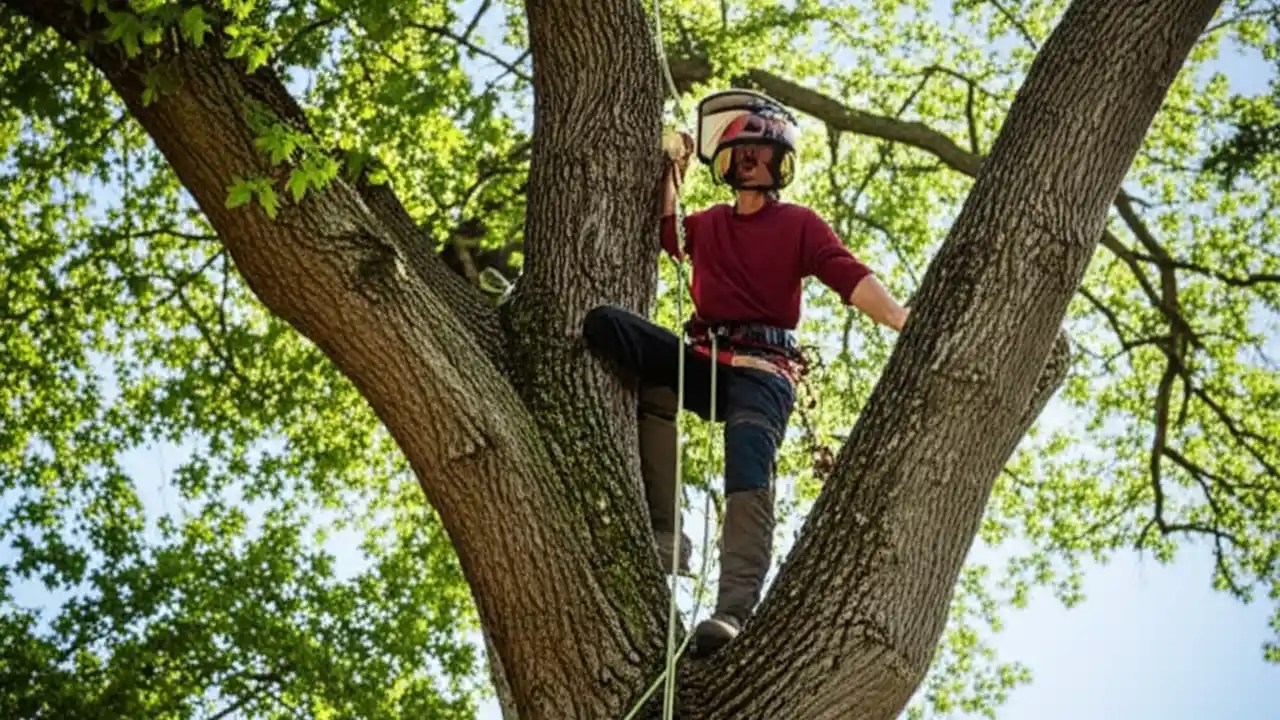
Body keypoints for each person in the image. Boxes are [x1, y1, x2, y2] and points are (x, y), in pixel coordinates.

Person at [582, 90, 910, 657]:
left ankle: (734, 611)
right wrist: (671, 163)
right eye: (743, 154)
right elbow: (670, 233)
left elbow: (848, 276)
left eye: (763, 153)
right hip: (709, 363)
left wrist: (906, 322)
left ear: (779, 164)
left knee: (747, 463)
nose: (753, 161)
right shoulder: (707, 226)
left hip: (764, 373)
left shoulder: (801, 225)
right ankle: (666, 531)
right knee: (610, 328)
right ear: (729, 164)